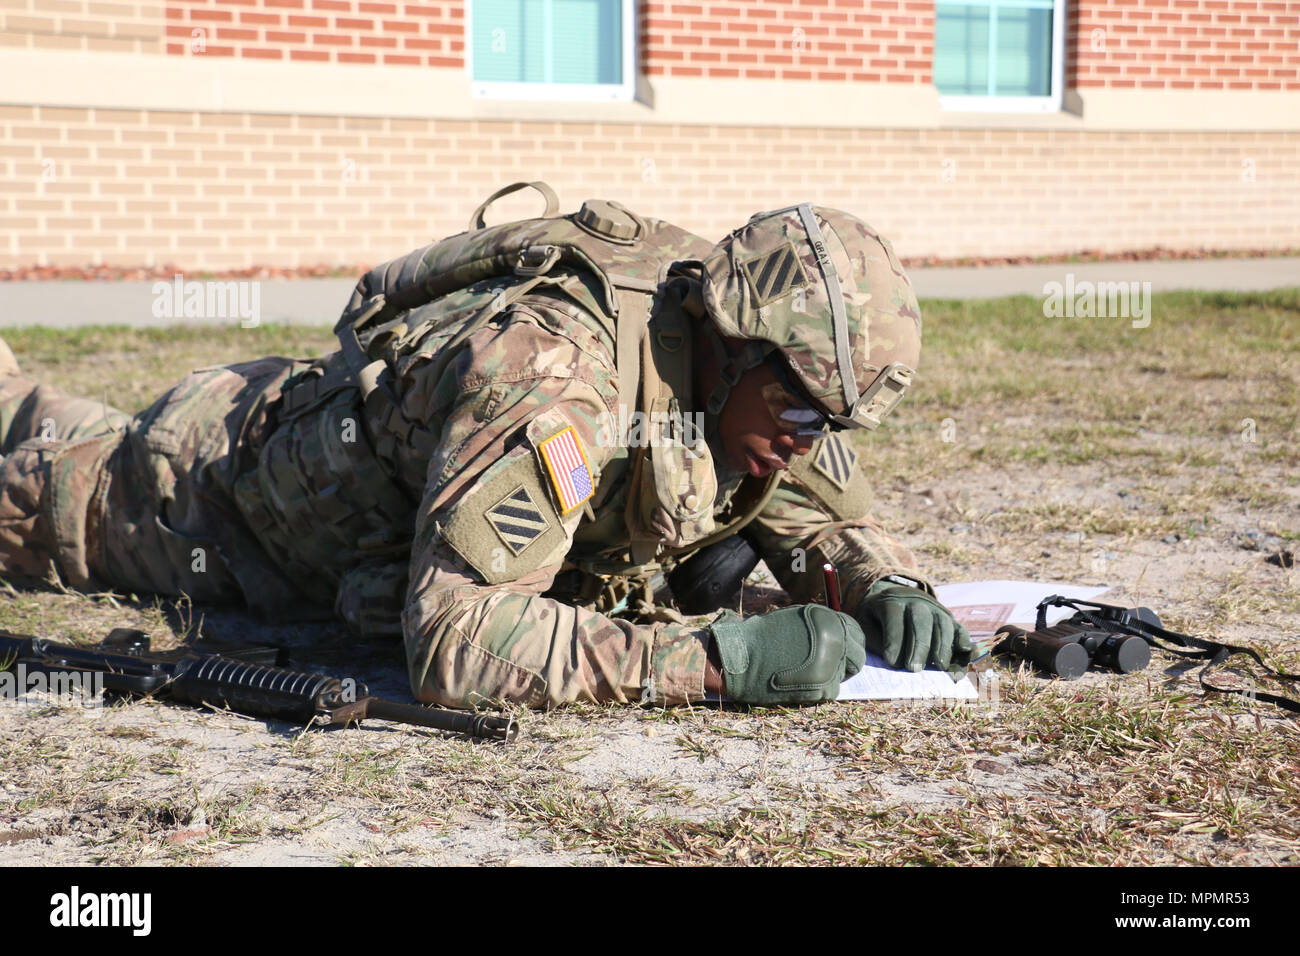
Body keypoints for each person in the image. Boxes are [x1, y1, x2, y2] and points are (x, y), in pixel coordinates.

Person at [0, 184, 971, 709]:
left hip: (296, 452)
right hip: (204, 495)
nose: (807, 450)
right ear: (734, 344)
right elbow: (458, 643)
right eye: (803, 418)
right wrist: (709, 661)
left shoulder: (745, 383)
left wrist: (881, 583)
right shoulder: (556, 371)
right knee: (30, 476)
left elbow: (820, 515)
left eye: (829, 429)